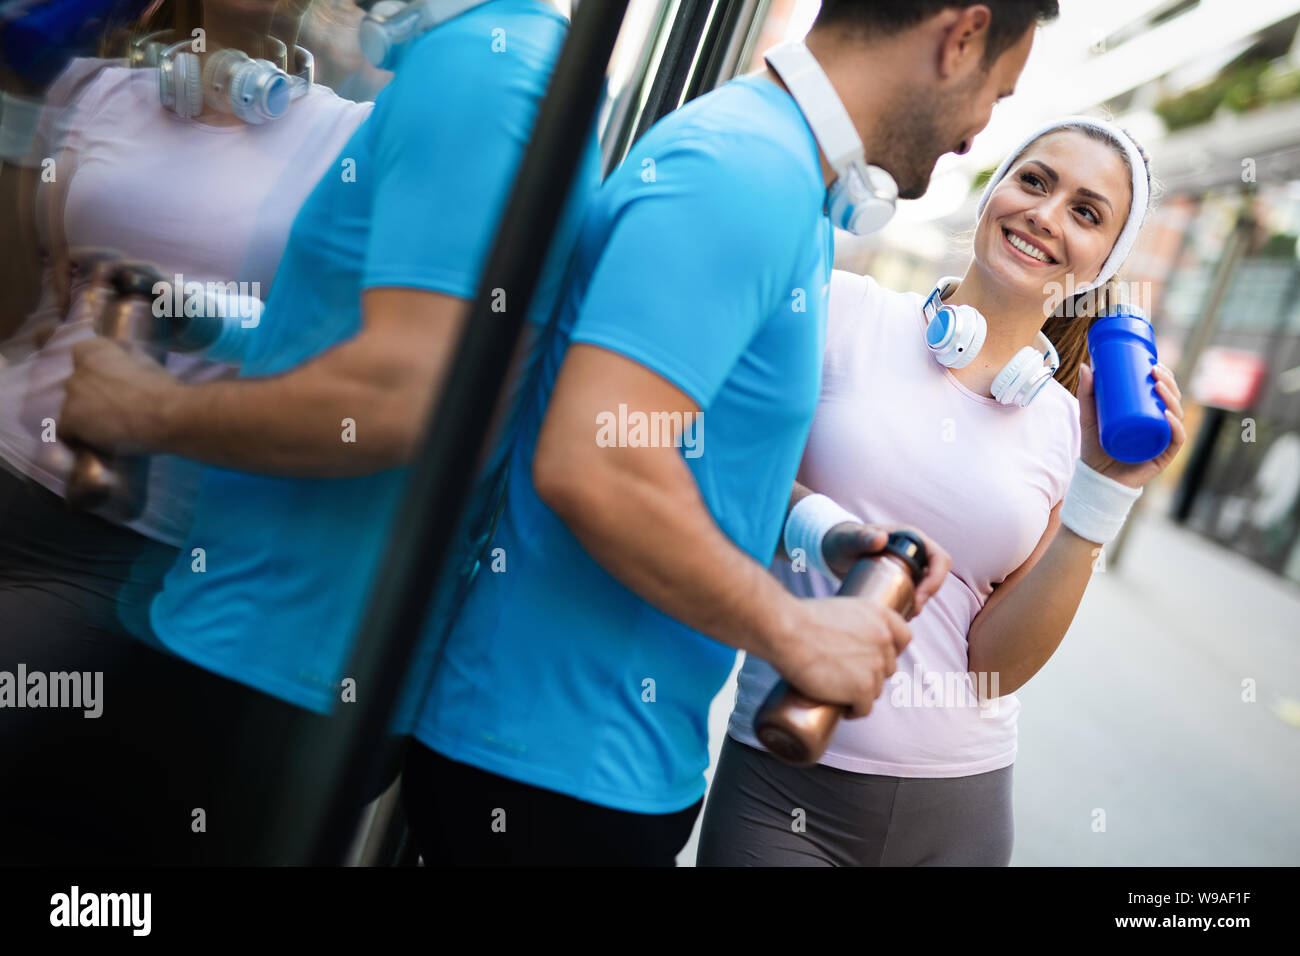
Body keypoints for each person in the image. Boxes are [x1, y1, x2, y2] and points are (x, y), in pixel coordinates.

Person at [399, 0, 1058, 867]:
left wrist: (820, 531)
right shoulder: (742, 172)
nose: (979, 133)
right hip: (544, 769)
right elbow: (597, 458)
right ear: (961, 35)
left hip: (613, 765)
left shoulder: (788, 182)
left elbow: (690, 446)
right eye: (997, 97)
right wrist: (795, 632)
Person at [49, 0, 601, 863]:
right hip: (260, 651)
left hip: (272, 671)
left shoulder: (482, 70)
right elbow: (392, 352)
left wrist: (148, 412)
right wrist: (199, 320)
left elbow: (401, 399)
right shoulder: (478, 58)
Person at [696, 115, 1188, 867]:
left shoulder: (1068, 427)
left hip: (960, 808)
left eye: (1086, 212)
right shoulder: (844, 314)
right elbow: (724, 466)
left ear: (1100, 266)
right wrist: (820, 527)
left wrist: (1102, 495)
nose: (1045, 216)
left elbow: (995, 666)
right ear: (995, 191)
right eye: (1035, 180)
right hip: (783, 779)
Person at [0, 0, 372, 864]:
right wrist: (17, 99)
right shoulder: (95, 93)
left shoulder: (354, 139)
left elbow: (333, 350)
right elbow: (25, 304)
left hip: (114, 542)